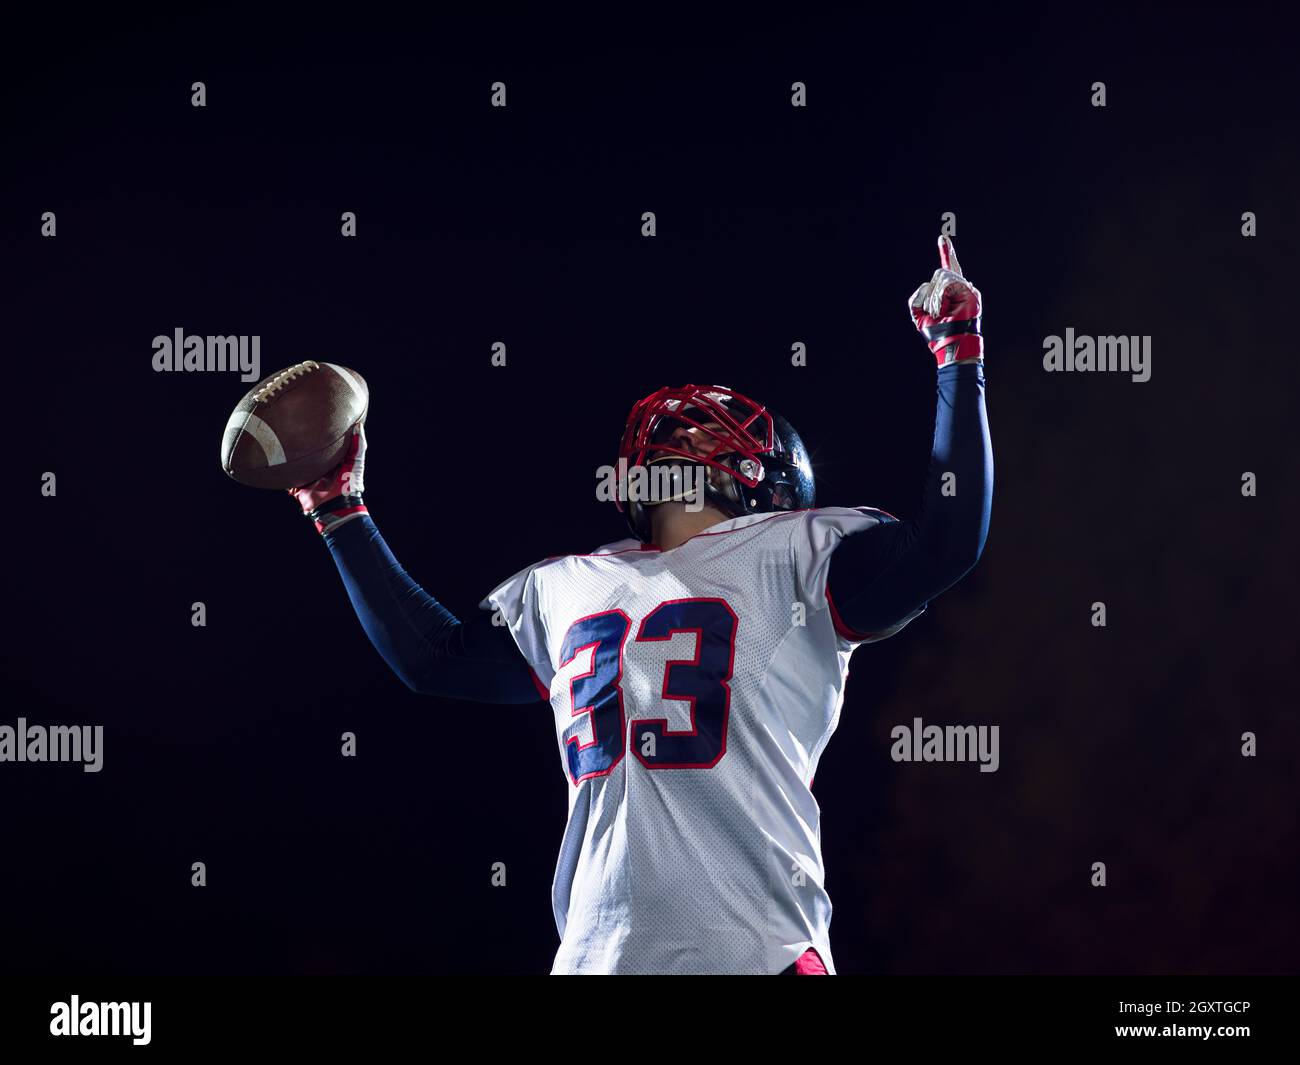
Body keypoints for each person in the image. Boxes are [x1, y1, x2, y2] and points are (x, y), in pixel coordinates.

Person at [288, 235, 993, 974]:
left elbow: (949, 545)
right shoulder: (573, 583)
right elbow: (429, 658)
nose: (680, 439)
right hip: (608, 958)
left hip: (753, 953)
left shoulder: (790, 552)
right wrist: (338, 507)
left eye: (693, 431)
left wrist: (960, 355)